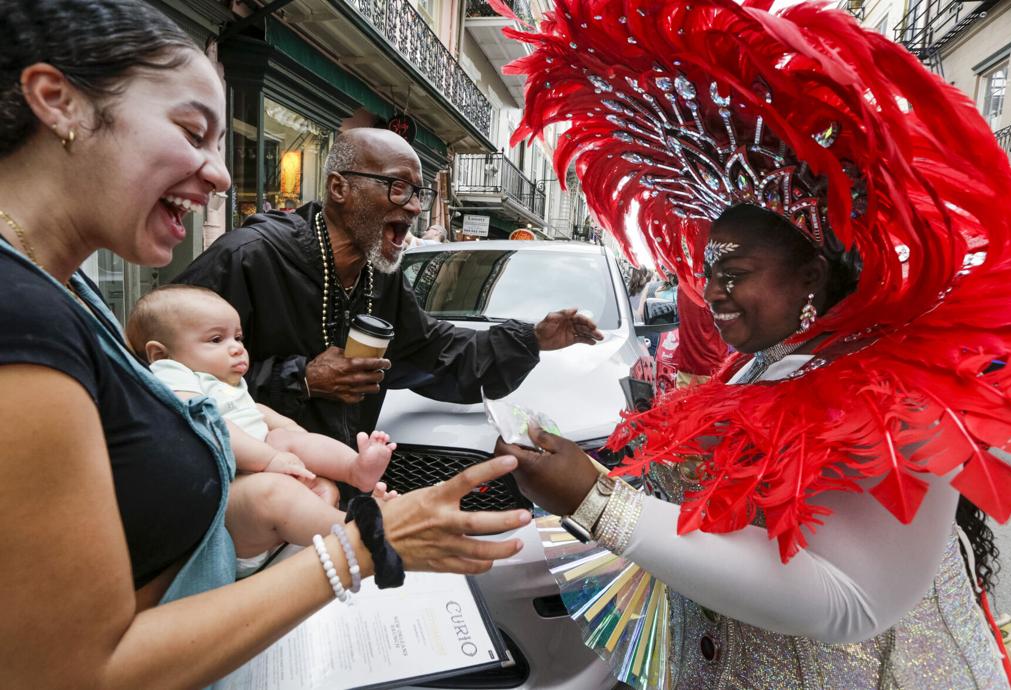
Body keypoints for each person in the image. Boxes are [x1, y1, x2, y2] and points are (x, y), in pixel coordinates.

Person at [496, 0, 1011, 687]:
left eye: (736, 274)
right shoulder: (759, 363)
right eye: (708, 273)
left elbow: (850, 601)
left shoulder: (894, 393)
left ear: (811, 272)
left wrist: (598, 502)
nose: (712, 292)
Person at [0, 2, 529, 687]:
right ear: (56, 102)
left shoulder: (68, 293)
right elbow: (69, 670)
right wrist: (364, 549)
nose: (220, 174)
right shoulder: (22, 316)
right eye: (193, 132)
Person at [175, 127, 603, 449]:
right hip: (251, 501)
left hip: (339, 489)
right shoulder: (247, 257)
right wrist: (301, 379)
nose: (415, 207)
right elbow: (168, 379)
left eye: (417, 193)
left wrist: (531, 338)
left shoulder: (380, 273)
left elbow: (432, 351)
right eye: (398, 188)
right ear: (339, 187)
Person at [126, 284, 393, 493]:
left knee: (288, 438)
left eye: (238, 337)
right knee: (279, 478)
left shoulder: (220, 381)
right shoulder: (173, 374)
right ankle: (352, 530)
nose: (236, 347)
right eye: (216, 339)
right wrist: (270, 459)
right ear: (161, 355)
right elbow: (209, 422)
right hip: (234, 474)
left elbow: (253, 410)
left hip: (262, 456)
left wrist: (295, 436)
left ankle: (355, 470)